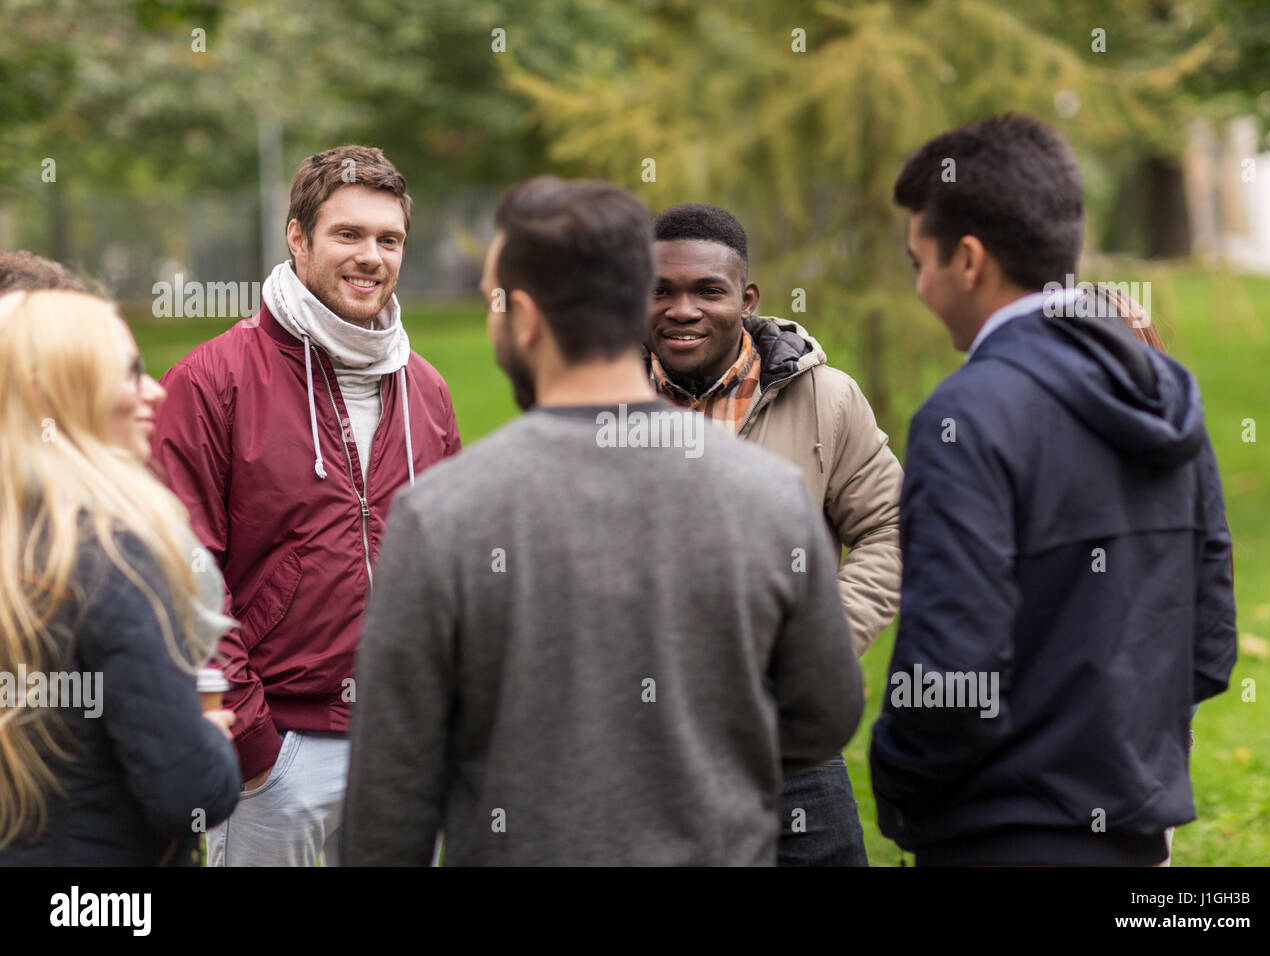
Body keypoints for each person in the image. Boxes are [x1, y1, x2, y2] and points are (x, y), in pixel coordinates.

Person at [342, 176, 863, 866]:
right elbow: (824, 713)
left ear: (525, 319)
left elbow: (389, 801)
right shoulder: (771, 497)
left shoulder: (442, 516)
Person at [869, 114, 1237, 866]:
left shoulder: (963, 416)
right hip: (1139, 832)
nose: (920, 287)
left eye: (918, 262)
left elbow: (952, 673)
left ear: (967, 260)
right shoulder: (1167, 389)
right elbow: (1209, 641)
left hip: (1000, 834)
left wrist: (900, 779)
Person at [151, 145, 462, 867]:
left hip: (399, 748)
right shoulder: (210, 380)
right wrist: (253, 744)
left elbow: (450, 566)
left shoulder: (428, 389)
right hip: (277, 756)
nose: (371, 257)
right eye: (348, 235)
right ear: (298, 238)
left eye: (389, 240)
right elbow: (179, 568)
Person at [645, 204, 902, 866]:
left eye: (708, 290)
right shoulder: (598, 406)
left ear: (746, 298)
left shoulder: (827, 400)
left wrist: (827, 638)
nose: (683, 310)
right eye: (661, 291)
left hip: (789, 744)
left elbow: (892, 525)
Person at [0, 289, 241, 866]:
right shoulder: (111, 556)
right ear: (58, 392)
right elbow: (187, 795)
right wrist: (209, 739)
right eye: (128, 374)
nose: (154, 390)